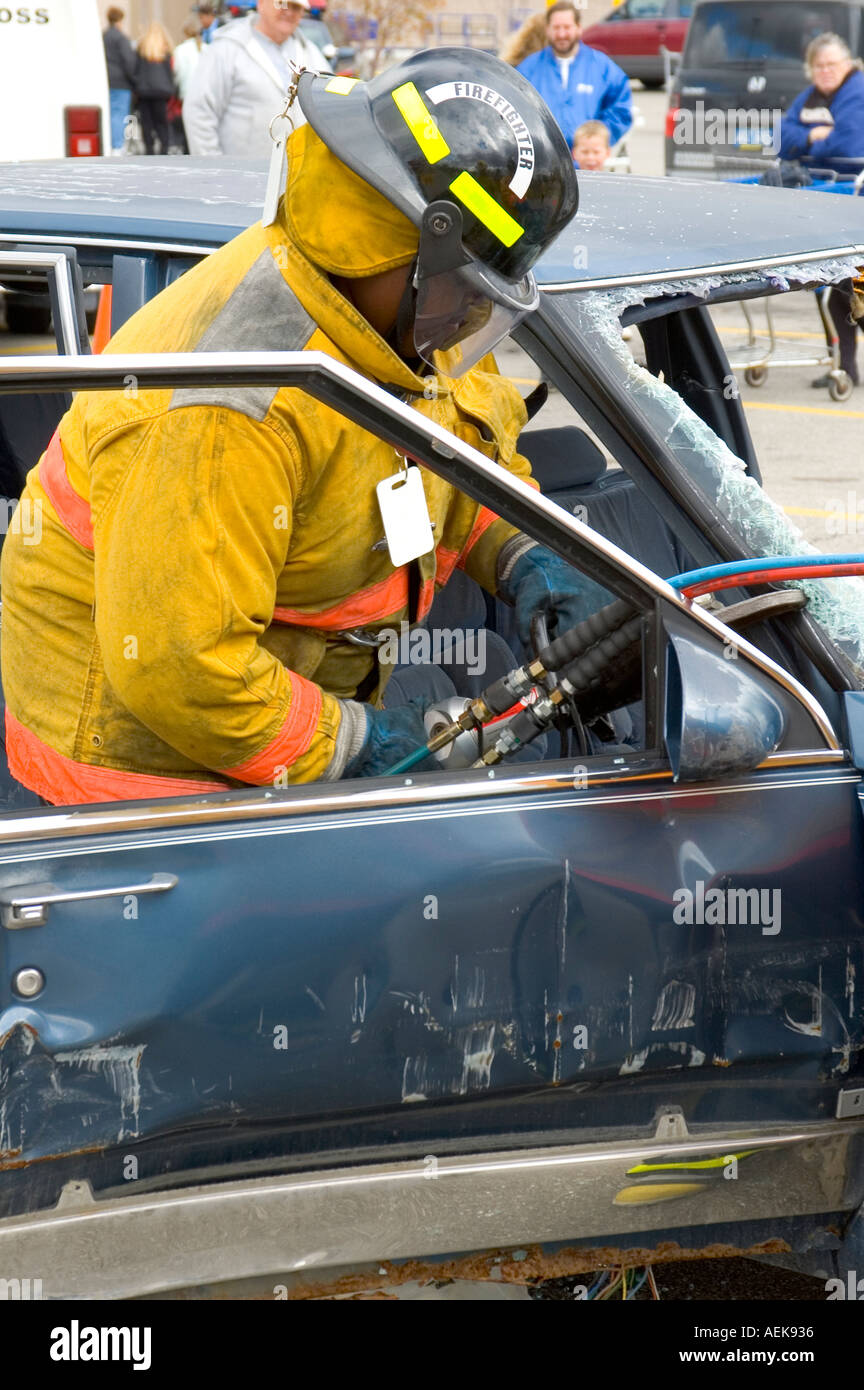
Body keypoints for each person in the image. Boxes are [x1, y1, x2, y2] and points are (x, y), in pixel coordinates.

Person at [0, 50, 607, 805]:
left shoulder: (405, 322)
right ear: (415, 243)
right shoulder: (228, 404)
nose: (471, 322)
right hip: (142, 787)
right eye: (467, 292)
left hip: (288, 726)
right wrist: (358, 744)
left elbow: (459, 452)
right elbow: (179, 665)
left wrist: (524, 553)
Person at [779, 34, 864, 387]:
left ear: (848, 64)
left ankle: (844, 369)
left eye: (832, 64)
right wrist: (813, 137)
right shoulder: (811, 97)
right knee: (836, 294)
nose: (826, 71)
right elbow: (781, 137)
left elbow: (848, 143)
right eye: (819, 65)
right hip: (829, 203)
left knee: (854, 290)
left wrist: (809, 141)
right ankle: (845, 369)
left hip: (854, 204)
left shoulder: (856, 91)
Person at [184, 0, 331, 158]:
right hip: (241, 178)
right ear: (261, 3)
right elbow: (199, 113)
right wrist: (215, 171)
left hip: (300, 178)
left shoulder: (312, 54)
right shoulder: (226, 49)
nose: (289, 11)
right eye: (281, 3)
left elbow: (330, 112)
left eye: (296, 7)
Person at [517, 0, 632, 151]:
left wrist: (597, 139)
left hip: (586, 162)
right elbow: (516, 109)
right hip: (544, 159)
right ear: (547, 30)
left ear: (578, 28)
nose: (562, 34)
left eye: (567, 27)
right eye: (556, 28)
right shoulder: (528, 68)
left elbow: (621, 110)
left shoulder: (602, 67)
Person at [133, 23, 176, 156]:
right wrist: (170, 89)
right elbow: (169, 72)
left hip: (144, 91)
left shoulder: (142, 49)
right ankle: (164, 147)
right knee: (161, 121)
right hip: (161, 91)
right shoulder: (165, 50)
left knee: (146, 122)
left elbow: (136, 69)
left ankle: (149, 148)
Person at [102, 6, 137, 154]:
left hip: (105, 80)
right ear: (120, 20)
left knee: (109, 113)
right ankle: (117, 146)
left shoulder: (102, 36)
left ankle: (109, 144)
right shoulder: (121, 38)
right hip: (121, 83)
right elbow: (128, 61)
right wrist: (135, 79)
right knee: (119, 113)